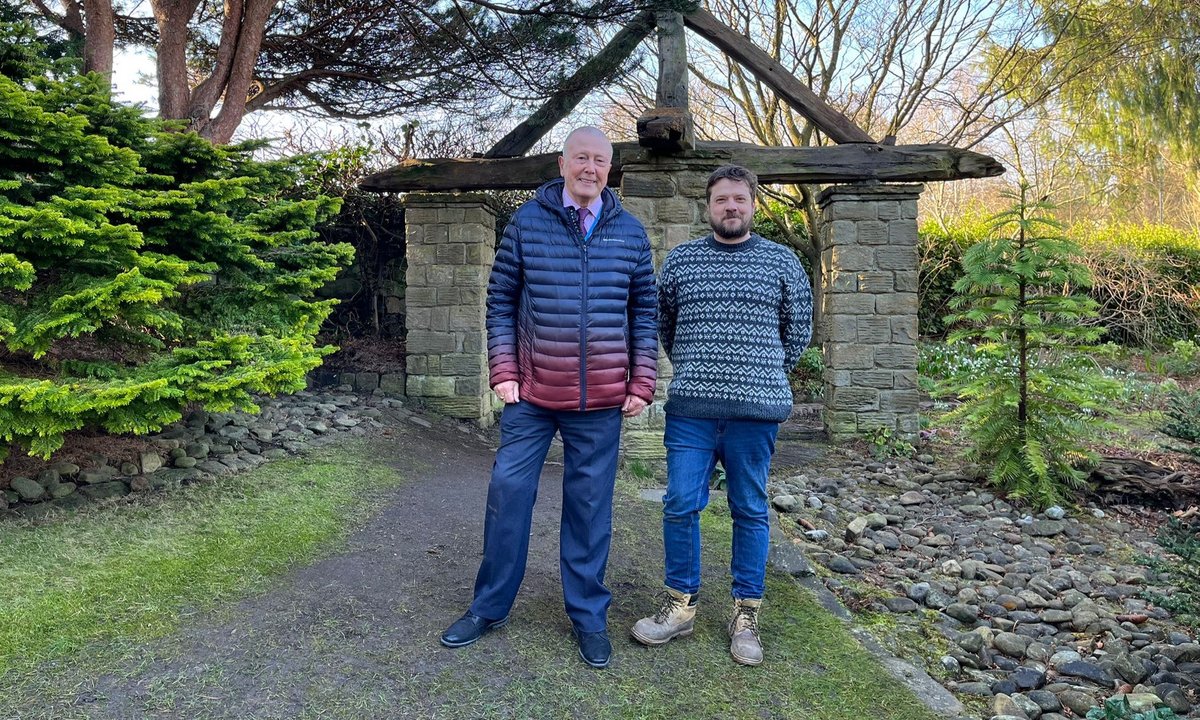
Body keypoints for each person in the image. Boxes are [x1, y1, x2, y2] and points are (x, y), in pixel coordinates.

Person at [440, 126, 657, 669]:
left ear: (611, 170)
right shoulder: (527, 222)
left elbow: (645, 314)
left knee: (589, 511)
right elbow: (500, 301)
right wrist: (504, 370)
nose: (590, 168)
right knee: (508, 495)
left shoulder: (629, 232)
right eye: (581, 158)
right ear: (562, 164)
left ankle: (588, 618)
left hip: (601, 400)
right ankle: (488, 608)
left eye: (600, 161)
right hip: (531, 395)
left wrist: (642, 380)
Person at [630, 164, 813, 666]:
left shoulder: (782, 262)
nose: (730, 207)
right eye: (721, 200)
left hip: (754, 415)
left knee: (749, 510)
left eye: (739, 199)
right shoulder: (683, 261)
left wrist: (759, 373)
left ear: (753, 204)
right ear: (707, 207)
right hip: (692, 411)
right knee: (679, 503)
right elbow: (666, 327)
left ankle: (745, 614)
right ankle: (680, 606)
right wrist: (700, 367)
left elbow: (797, 334)